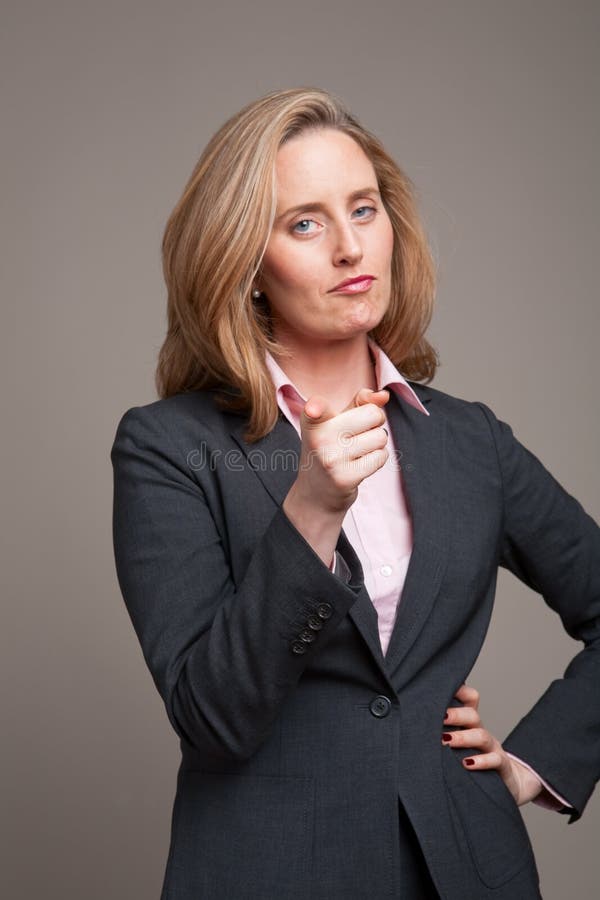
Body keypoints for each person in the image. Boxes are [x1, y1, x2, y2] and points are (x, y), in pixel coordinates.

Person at [111, 88, 600, 899]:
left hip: (467, 869)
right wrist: (310, 508)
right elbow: (213, 718)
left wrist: (533, 762)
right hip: (265, 874)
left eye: (364, 209)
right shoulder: (169, 447)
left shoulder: (470, 439)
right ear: (246, 262)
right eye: (304, 222)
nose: (349, 247)